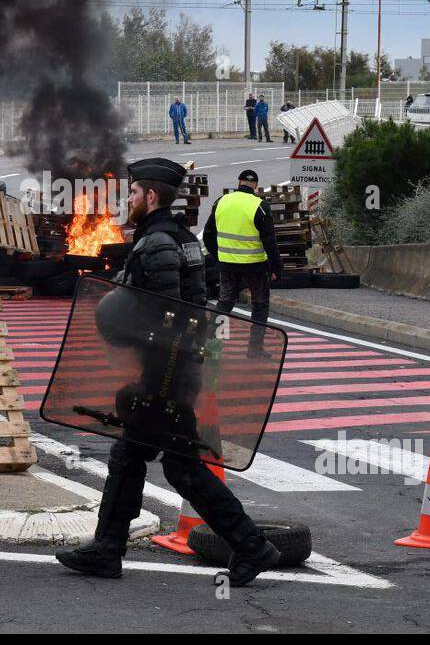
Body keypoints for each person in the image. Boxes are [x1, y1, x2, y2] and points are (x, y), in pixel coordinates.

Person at [55, 157, 281, 587]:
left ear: (151, 196)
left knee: (165, 464)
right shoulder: (180, 238)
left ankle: (249, 545)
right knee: (151, 460)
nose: (130, 199)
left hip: (166, 371)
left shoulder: (157, 242)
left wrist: (136, 345)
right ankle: (112, 549)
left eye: (135, 193)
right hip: (175, 368)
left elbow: (168, 312)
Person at [204, 168, 282, 356]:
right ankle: (254, 350)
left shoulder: (221, 202)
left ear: (238, 182)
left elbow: (207, 236)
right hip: (255, 266)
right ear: (255, 185)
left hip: (227, 265)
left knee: (224, 303)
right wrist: (276, 267)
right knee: (260, 305)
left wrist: (219, 256)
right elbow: (269, 241)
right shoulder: (260, 206)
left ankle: (210, 344)